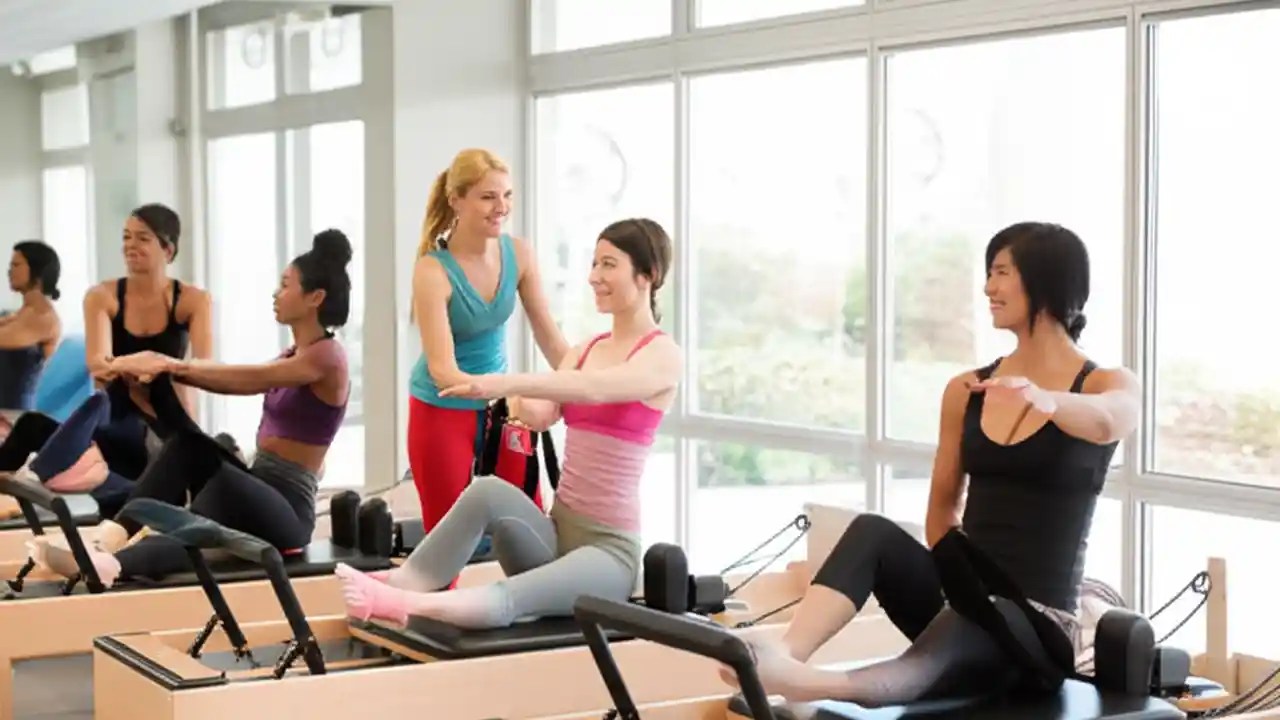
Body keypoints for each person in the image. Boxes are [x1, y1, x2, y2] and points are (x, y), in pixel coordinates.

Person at [719, 222, 1141, 706]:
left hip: (1038, 632)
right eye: (989, 273)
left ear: (1046, 280)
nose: (988, 287)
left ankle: (810, 685)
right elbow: (943, 513)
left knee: (981, 614)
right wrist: (955, 588)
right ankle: (788, 654)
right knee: (874, 532)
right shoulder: (968, 389)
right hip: (970, 606)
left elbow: (1110, 422)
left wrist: (1046, 400)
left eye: (1001, 272)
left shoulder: (1104, 383)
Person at [337, 218, 680, 631]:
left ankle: (405, 603)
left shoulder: (662, 355)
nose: (594, 277)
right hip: (555, 534)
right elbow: (541, 413)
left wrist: (497, 382)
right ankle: (400, 582)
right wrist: (512, 399)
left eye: (609, 265)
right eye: (593, 264)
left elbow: (590, 389)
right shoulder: (587, 349)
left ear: (649, 275)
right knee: (486, 491)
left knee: (508, 599)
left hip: (608, 553)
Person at [30, 230, 353, 585]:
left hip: (287, 513)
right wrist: (153, 384)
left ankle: (114, 563)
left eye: (286, 285)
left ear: (315, 297)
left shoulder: (328, 357)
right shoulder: (293, 354)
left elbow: (250, 379)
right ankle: (106, 544)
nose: (276, 293)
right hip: (260, 485)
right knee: (187, 445)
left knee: (218, 492)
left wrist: (170, 365)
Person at [407, 148, 570, 533]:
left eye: (507, 195)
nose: (501, 207)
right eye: (487, 197)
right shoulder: (432, 271)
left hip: (501, 409)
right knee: (447, 540)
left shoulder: (520, 254)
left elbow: (548, 334)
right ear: (456, 201)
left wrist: (587, 378)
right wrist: (511, 391)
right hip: (441, 410)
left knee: (530, 526)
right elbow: (443, 370)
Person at [83, 203, 213, 478]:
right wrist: (138, 363)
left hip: (171, 412)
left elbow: (205, 367)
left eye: (142, 238)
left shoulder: (193, 300)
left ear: (168, 250)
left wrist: (159, 367)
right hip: (117, 416)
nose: (131, 245)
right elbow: (97, 365)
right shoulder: (101, 297)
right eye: (126, 237)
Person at [0, 241, 63, 410]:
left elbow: (6, 337)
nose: (9, 271)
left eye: (16, 265)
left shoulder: (43, 318)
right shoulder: (21, 314)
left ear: (37, 271)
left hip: (14, 418)